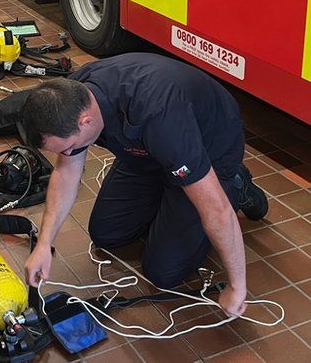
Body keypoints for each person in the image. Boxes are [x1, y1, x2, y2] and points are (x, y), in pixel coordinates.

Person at [20, 53, 269, 317]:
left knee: (163, 271)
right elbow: (66, 171)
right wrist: (43, 244)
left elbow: (216, 210)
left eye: (70, 148)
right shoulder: (73, 95)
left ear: (86, 121)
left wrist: (237, 286)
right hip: (148, 153)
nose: (67, 155)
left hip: (208, 151)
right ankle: (170, 195)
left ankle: (235, 185)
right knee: (106, 233)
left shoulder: (160, 116)